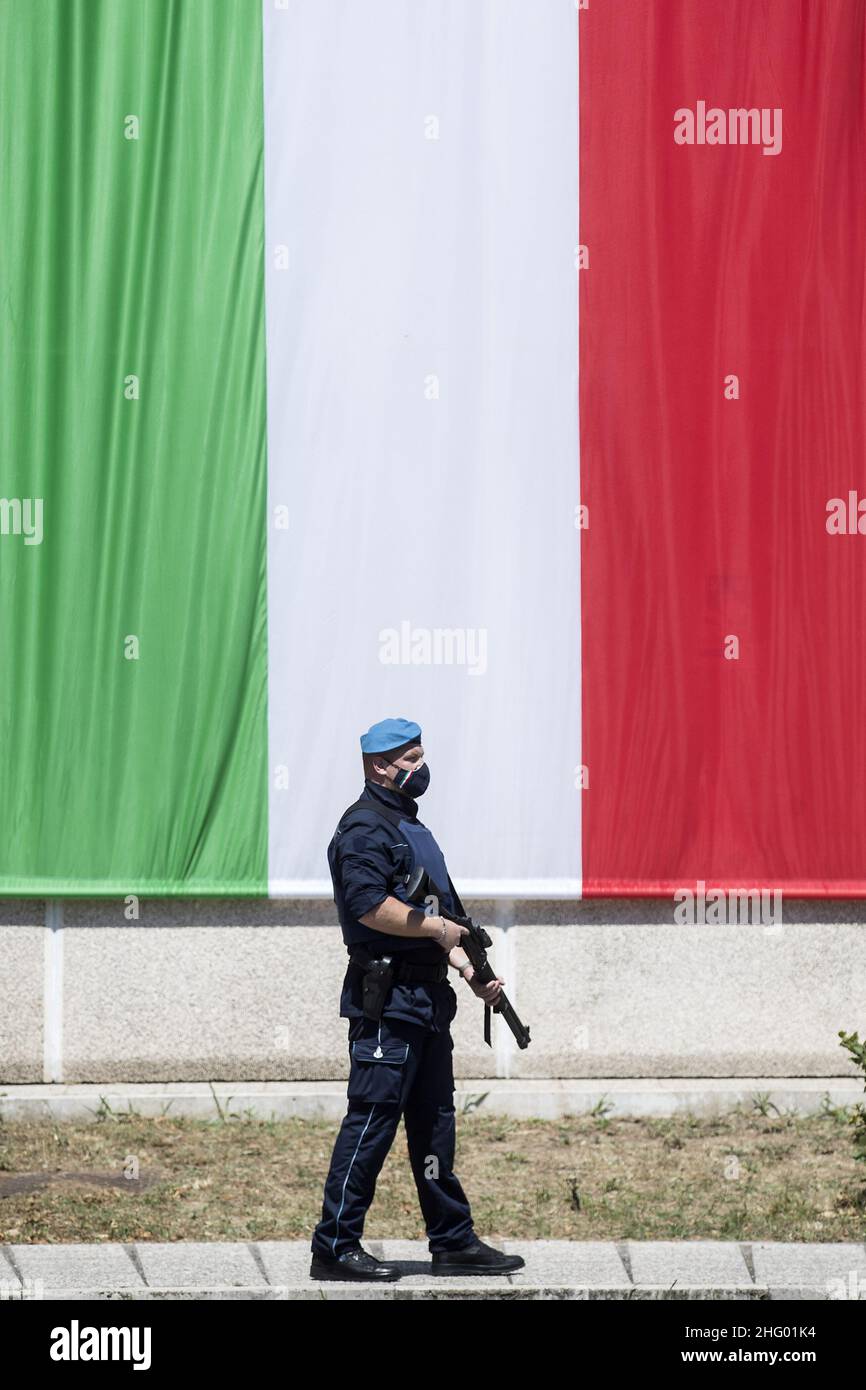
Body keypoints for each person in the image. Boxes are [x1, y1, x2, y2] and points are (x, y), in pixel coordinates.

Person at [309, 717, 525, 1282]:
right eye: (411, 759)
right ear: (379, 766)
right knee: (372, 1121)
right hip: (386, 1002)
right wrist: (436, 931)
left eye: (421, 757)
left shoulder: (412, 828)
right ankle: (334, 1245)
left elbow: (442, 917)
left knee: (434, 1125)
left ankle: (452, 1242)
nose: (421, 769)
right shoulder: (363, 828)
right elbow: (368, 908)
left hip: (428, 1000)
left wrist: (470, 968)